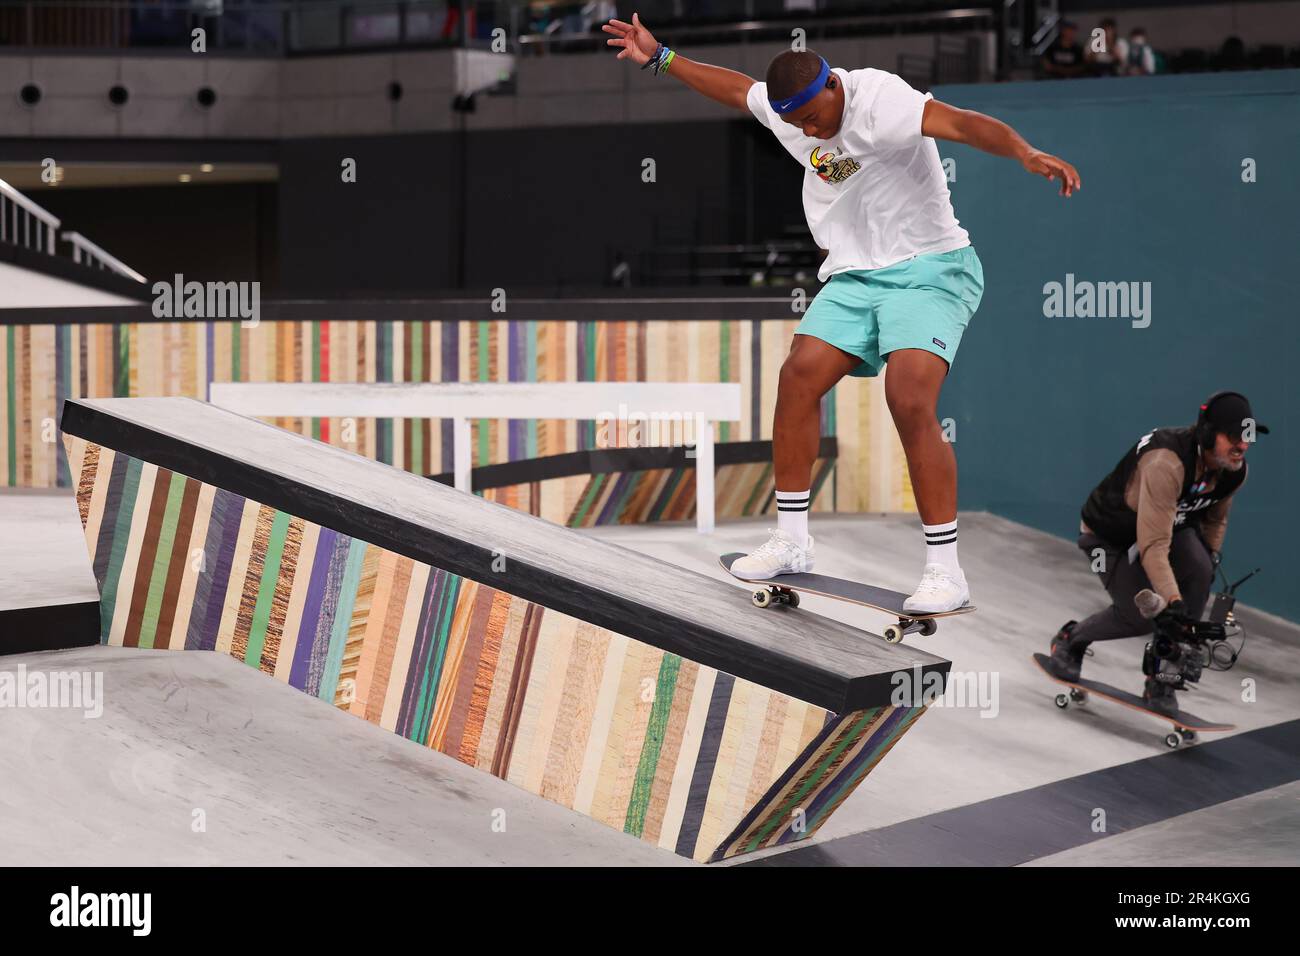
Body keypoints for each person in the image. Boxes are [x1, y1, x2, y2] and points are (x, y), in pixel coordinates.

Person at [603, 14, 1080, 612]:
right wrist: (661, 58)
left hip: (930, 268)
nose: (808, 131)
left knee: (908, 397)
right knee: (798, 376)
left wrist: (1024, 152)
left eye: (813, 118)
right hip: (855, 274)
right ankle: (793, 541)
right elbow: (733, 87)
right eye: (796, 124)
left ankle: (944, 571)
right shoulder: (792, 114)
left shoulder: (880, 100)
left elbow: (959, 122)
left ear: (832, 85)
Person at [1048, 392, 1266, 713]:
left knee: (1200, 566)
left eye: (1248, 436)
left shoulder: (1234, 471)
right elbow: (1152, 545)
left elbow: (1216, 520)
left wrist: (1209, 560)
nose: (1243, 445)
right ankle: (1071, 639)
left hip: (1166, 527)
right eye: (1234, 435)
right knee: (1140, 616)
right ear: (1207, 434)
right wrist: (1172, 603)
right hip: (1110, 536)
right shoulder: (1166, 463)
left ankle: (1162, 679)